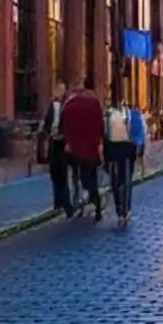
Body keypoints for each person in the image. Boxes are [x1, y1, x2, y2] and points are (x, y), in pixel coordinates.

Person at [62, 77, 105, 223]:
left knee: (77, 177)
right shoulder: (94, 103)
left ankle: (81, 201)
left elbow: (65, 127)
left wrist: (69, 142)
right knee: (91, 177)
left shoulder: (70, 105)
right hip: (91, 149)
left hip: (75, 149)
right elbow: (101, 125)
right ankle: (96, 203)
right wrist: (100, 143)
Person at [104, 101, 137, 225]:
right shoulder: (125, 118)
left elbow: (106, 140)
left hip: (115, 153)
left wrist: (106, 161)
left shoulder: (110, 120)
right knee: (125, 184)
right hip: (125, 152)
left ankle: (120, 212)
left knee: (116, 184)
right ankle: (125, 210)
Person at [41, 84, 72, 215]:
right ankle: (57, 203)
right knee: (54, 173)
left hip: (63, 142)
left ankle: (66, 204)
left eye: (62, 90)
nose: (60, 92)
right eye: (58, 89)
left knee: (63, 174)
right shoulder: (51, 106)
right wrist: (46, 138)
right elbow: (46, 124)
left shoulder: (67, 105)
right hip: (53, 142)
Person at [129, 104, 147, 178]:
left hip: (136, 141)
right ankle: (142, 172)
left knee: (135, 157)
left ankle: (137, 172)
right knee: (139, 156)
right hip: (140, 140)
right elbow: (144, 129)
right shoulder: (140, 117)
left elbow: (130, 128)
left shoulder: (132, 117)